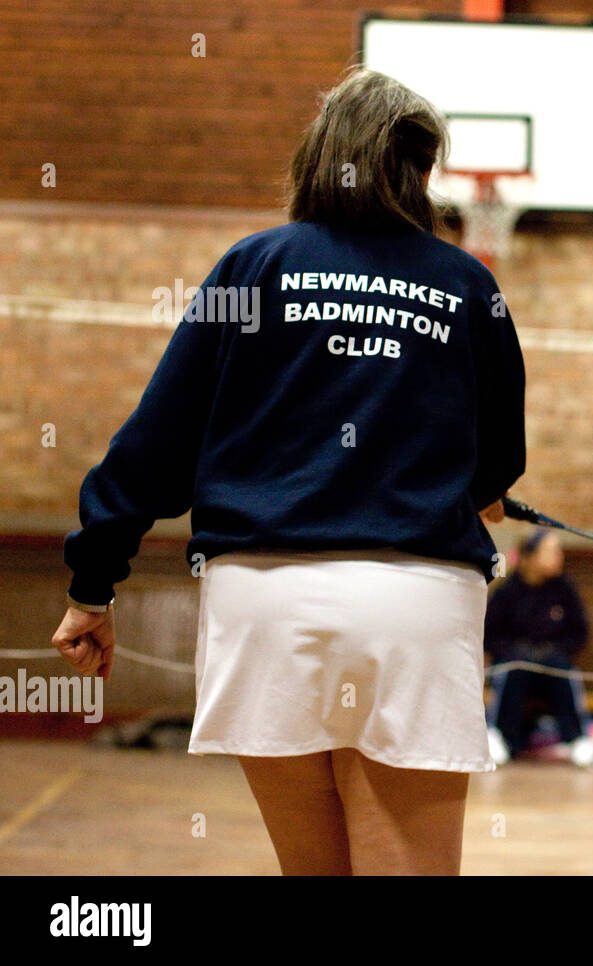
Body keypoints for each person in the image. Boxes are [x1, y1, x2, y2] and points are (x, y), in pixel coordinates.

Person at [50, 67, 526, 876]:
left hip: (262, 600)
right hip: (411, 603)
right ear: (420, 171)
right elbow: (500, 463)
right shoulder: (466, 285)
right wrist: (474, 492)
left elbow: (157, 444)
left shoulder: (252, 267)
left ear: (314, 158)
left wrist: (93, 583)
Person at [484, 529, 593, 766]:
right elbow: (489, 635)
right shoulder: (506, 592)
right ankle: (500, 737)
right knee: (510, 672)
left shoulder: (565, 589)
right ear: (530, 556)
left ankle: (577, 739)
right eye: (552, 551)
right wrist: (516, 651)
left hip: (552, 661)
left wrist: (554, 650)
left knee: (564, 672)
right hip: (516, 661)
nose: (559, 557)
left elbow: (579, 633)